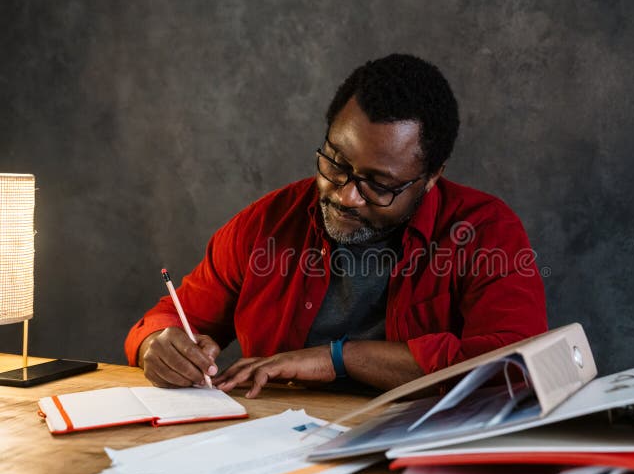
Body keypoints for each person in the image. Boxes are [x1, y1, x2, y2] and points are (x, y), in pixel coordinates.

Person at [125, 53, 547, 398]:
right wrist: (157, 345)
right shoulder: (265, 226)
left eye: (379, 185)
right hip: (273, 451)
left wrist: (337, 359)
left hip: (412, 455)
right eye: (337, 164)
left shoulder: (486, 231)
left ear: (432, 176)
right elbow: (168, 317)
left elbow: (515, 365)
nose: (346, 195)